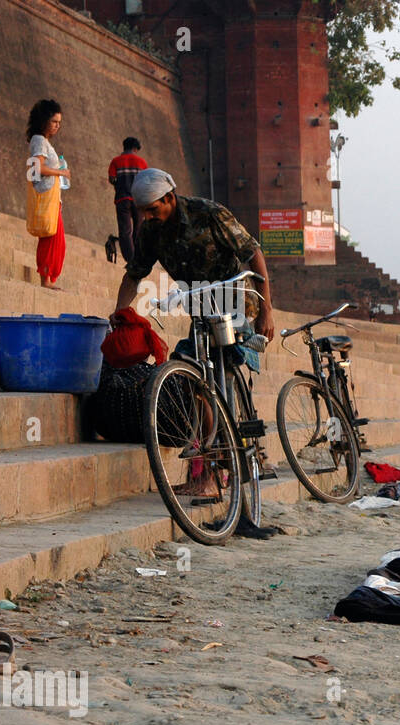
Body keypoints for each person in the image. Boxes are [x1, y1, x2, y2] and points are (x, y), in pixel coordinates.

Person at [112, 168, 276, 506]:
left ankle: (214, 475)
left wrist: (267, 310)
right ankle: (212, 465)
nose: (148, 216)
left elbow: (252, 253)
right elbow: (135, 274)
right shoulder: (151, 233)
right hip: (200, 309)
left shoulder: (209, 213)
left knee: (219, 378)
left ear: (170, 198)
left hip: (234, 303)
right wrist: (119, 311)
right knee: (188, 373)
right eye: (144, 211)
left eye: (153, 209)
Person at [27, 99, 68, 290]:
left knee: (57, 240)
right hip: (46, 196)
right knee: (50, 238)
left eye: (59, 123)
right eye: (54, 122)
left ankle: (50, 279)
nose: (57, 126)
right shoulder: (38, 140)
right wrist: (60, 172)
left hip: (53, 196)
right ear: (43, 121)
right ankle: (45, 280)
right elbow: (36, 169)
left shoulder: (45, 142)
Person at [108, 137, 147, 262]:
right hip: (139, 201)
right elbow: (146, 182)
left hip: (122, 199)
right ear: (135, 148)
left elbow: (112, 178)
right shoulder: (142, 162)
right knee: (139, 229)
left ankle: (130, 259)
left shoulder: (116, 161)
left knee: (125, 231)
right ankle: (138, 257)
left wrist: (120, 185)